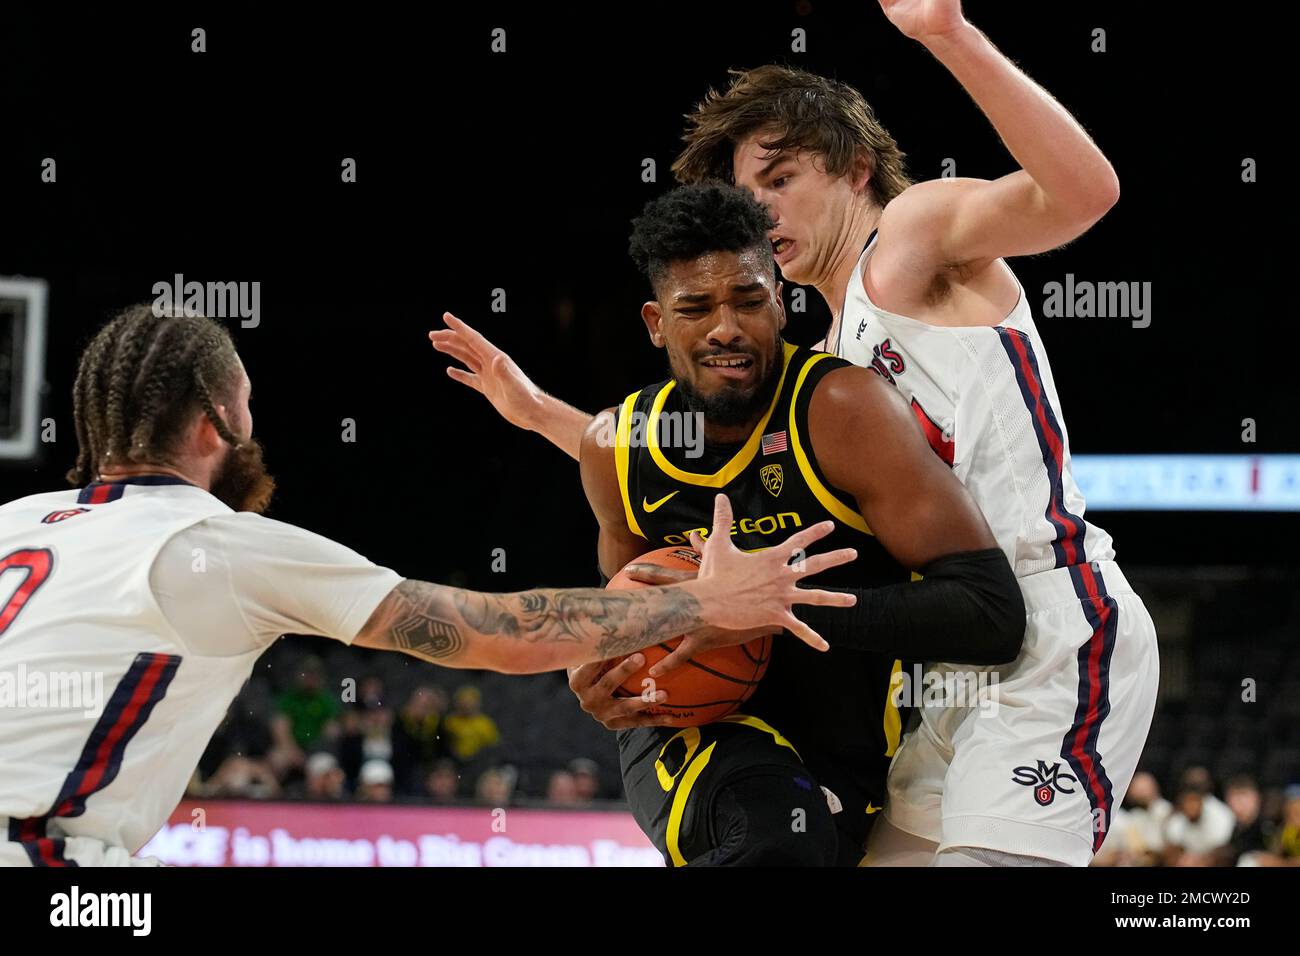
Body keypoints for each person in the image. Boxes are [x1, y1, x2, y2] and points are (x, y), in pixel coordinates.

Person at [432, 2, 1160, 867]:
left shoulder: (911, 236)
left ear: (854, 168)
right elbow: (697, 455)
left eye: (779, 180)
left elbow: (1086, 192)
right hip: (934, 662)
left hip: (1050, 623)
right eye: (747, 198)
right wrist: (540, 413)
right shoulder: (822, 357)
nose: (762, 213)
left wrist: (944, 34)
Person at [0, 305, 855, 867]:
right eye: (249, 405)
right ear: (214, 424)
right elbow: (486, 627)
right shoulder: (214, 545)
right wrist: (697, 603)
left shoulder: (13, 521)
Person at [576, 183, 1024, 866]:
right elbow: (620, 611)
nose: (726, 327)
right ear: (656, 322)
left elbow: (991, 615)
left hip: (842, 752)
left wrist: (768, 613)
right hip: (696, 730)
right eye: (695, 308)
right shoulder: (616, 447)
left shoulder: (844, 408)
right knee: (778, 837)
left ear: (781, 301)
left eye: (749, 301)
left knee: (798, 837)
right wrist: (594, 673)